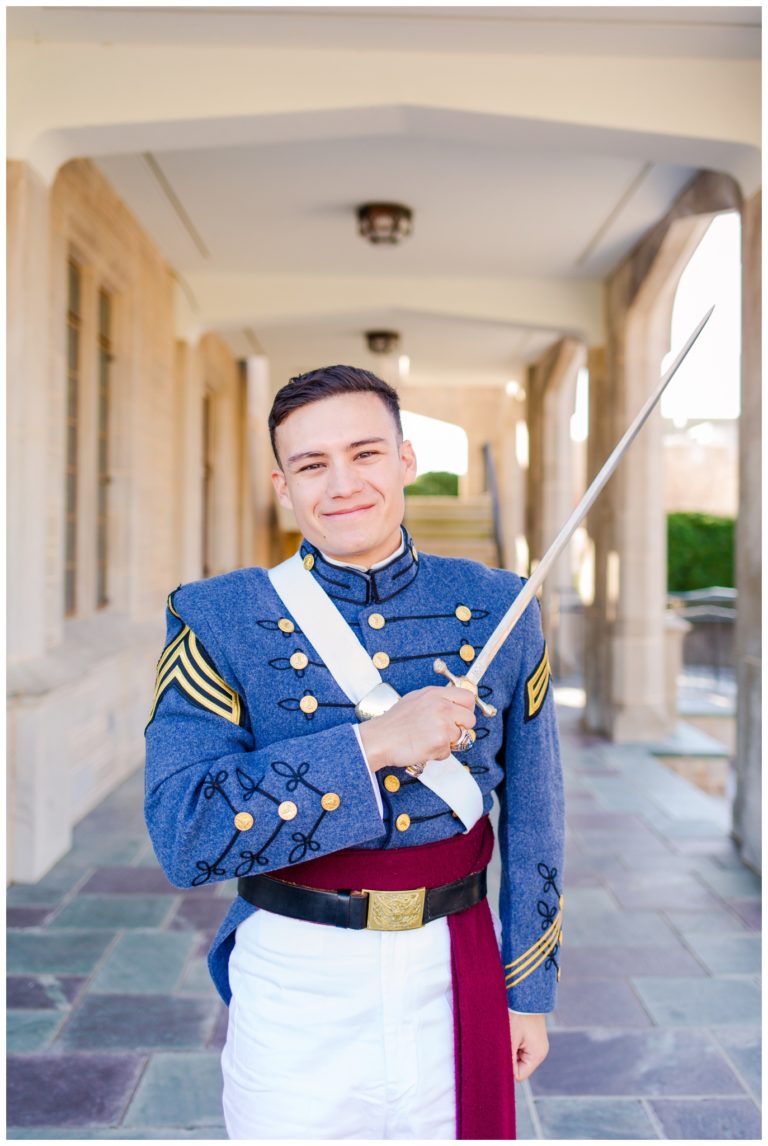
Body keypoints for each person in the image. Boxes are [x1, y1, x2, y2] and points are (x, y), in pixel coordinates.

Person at [144, 365, 565, 1141]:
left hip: (454, 966)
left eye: (365, 454)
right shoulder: (215, 616)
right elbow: (184, 830)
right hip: (297, 978)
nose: (342, 484)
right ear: (283, 485)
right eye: (312, 464)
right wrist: (375, 744)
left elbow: (537, 817)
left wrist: (528, 992)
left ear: (405, 460)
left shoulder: (503, 605)